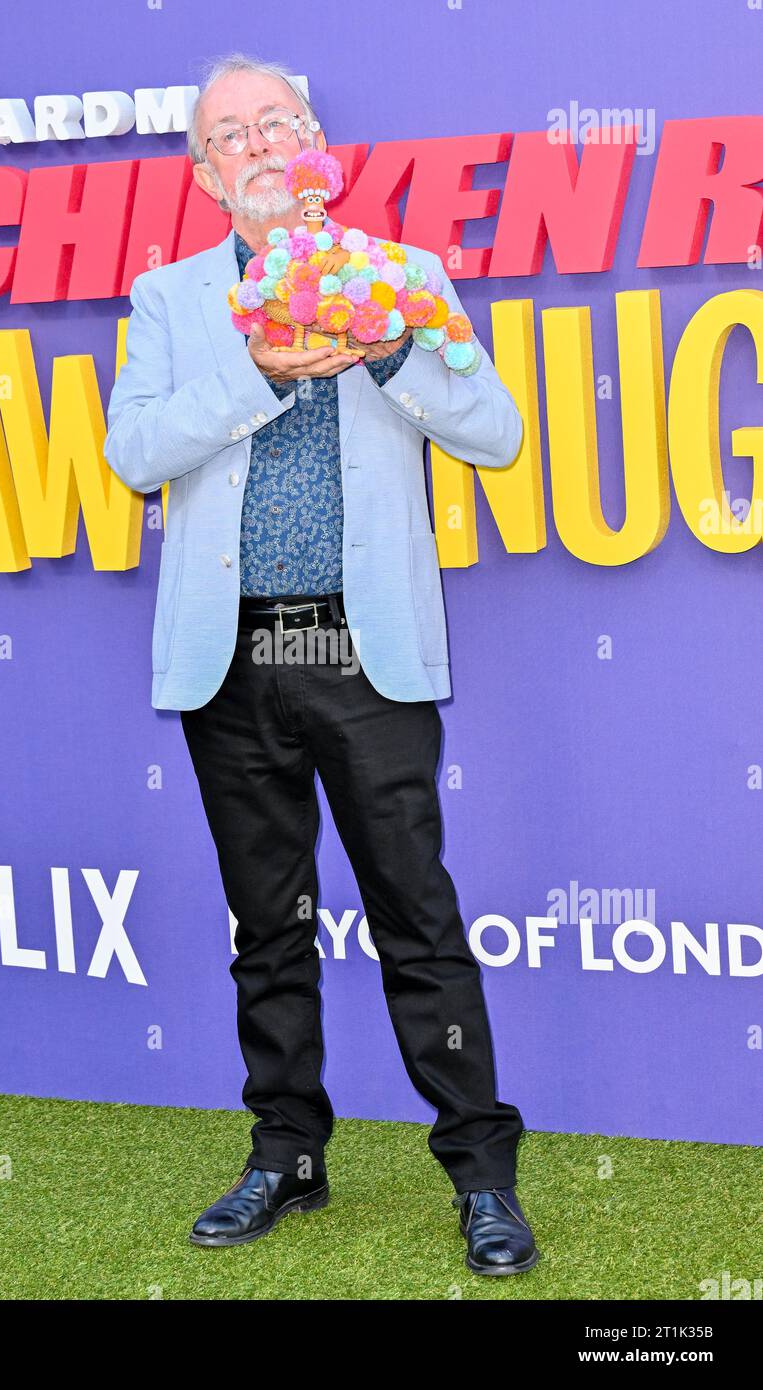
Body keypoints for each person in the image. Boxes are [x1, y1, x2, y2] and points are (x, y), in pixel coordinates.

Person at [104, 51, 539, 1277]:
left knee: (418, 916)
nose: (256, 142)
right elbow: (135, 450)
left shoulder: (402, 275)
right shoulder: (172, 299)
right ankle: (285, 1153)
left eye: (276, 121)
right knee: (268, 926)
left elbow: (497, 433)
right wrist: (257, 375)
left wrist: (394, 351)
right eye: (229, 133)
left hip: (364, 647)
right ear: (203, 174)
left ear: (314, 142)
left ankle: (483, 1175)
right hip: (229, 658)